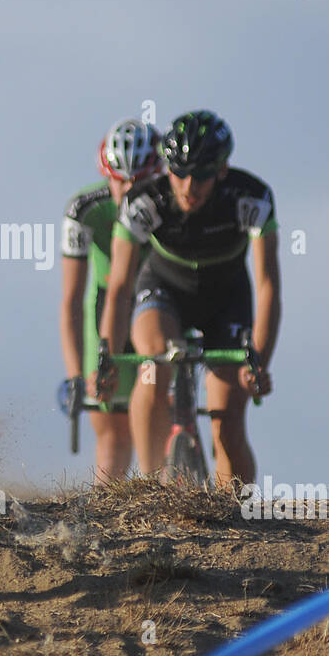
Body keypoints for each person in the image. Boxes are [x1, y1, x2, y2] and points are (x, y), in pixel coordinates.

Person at [98, 110, 281, 486]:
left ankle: (237, 518)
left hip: (227, 299)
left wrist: (258, 359)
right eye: (178, 173)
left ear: (222, 170)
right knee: (153, 365)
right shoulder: (143, 201)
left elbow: (268, 285)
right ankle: (151, 486)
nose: (187, 186)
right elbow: (118, 287)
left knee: (228, 423)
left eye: (200, 175)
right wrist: (107, 355)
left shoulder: (251, 197)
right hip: (164, 291)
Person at [58, 119, 161, 483]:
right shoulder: (84, 209)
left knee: (163, 418)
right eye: (119, 180)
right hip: (106, 308)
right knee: (113, 431)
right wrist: (75, 375)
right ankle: (105, 521)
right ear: (106, 176)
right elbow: (71, 301)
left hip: (158, 305)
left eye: (140, 182)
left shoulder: (172, 201)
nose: (129, 189)